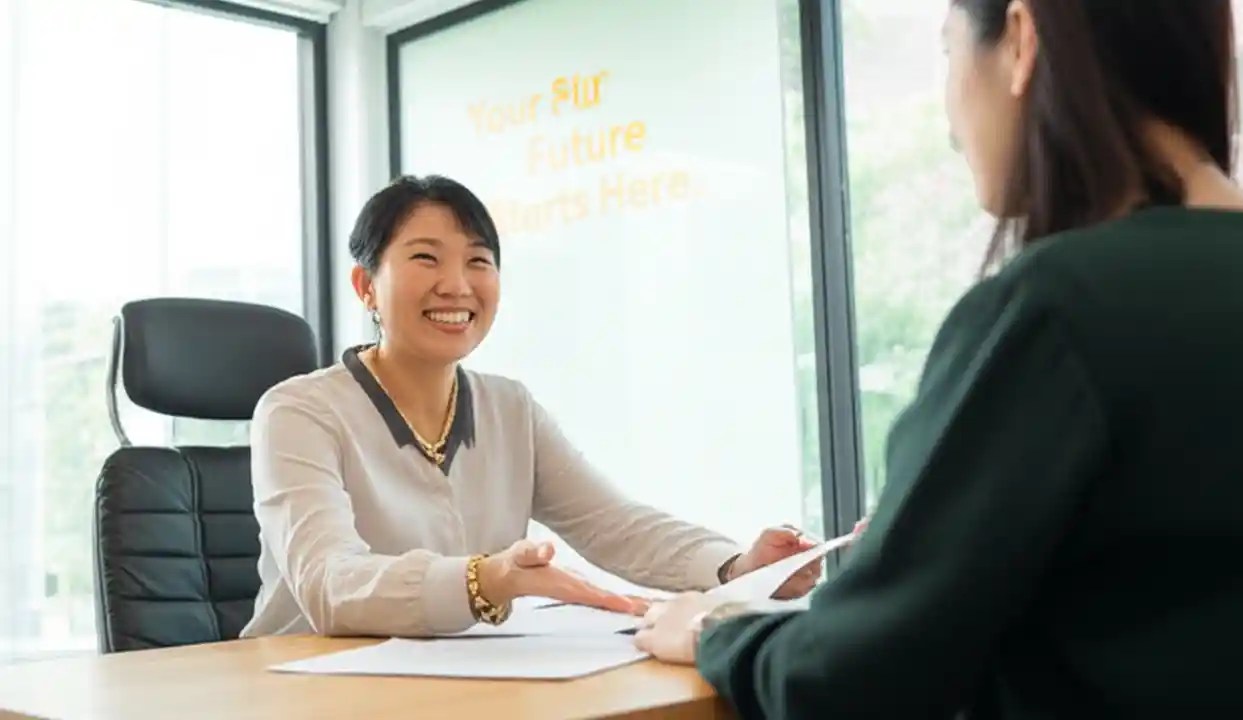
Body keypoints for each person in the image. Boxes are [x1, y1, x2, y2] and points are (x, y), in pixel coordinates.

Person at [637, 0, 1243, 717]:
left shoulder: (1056, 306)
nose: (949, 127)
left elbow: (853, 678)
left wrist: (715, 630)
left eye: (947, 55)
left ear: (1019, 37)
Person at [240, 174, 820, 639]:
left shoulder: (509, 406)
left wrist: (737, 568)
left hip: (454, 679)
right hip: (301, 686)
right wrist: (488, 579)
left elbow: (612, 525)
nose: (457, 285)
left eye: (478, 261)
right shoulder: (298, 411)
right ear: (366, 286)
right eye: (425, 259)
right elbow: (330, 584)